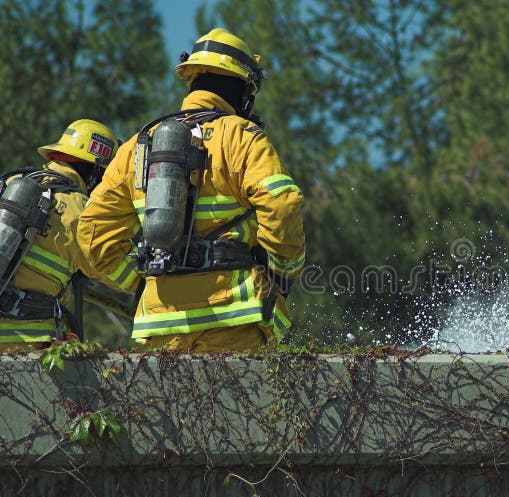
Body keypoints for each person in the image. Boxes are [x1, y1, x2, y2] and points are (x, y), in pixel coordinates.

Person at [77, 28, 306, 352]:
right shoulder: (242, 137)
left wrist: (140, 281)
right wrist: (283, 274)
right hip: (234, 316)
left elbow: (91, 236)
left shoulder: (136, 148)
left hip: (161, 323)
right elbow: (282, 205)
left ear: (193, 80)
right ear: (244, 91)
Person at [0, 119, 121, 352]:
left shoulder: (9, 184)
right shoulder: (82, 211)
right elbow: (117, 273)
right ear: (96, 172)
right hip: (27, 343)